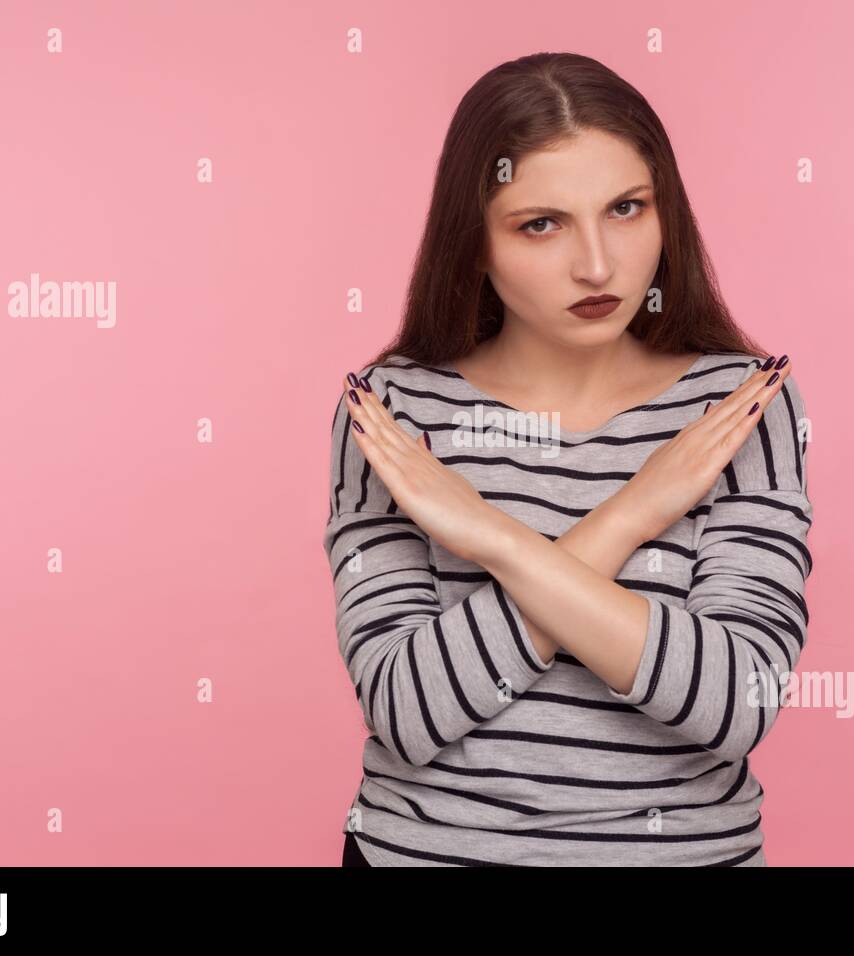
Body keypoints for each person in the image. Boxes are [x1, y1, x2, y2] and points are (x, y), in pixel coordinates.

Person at [325, 52, 812, 866]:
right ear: (473, 242)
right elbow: (408, 710)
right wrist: (634, 513)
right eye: (540, 224)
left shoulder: (736, 408)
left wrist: (492, 538)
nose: (597, 263)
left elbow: (737, 702)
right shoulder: (393, 414)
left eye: (626, 208)